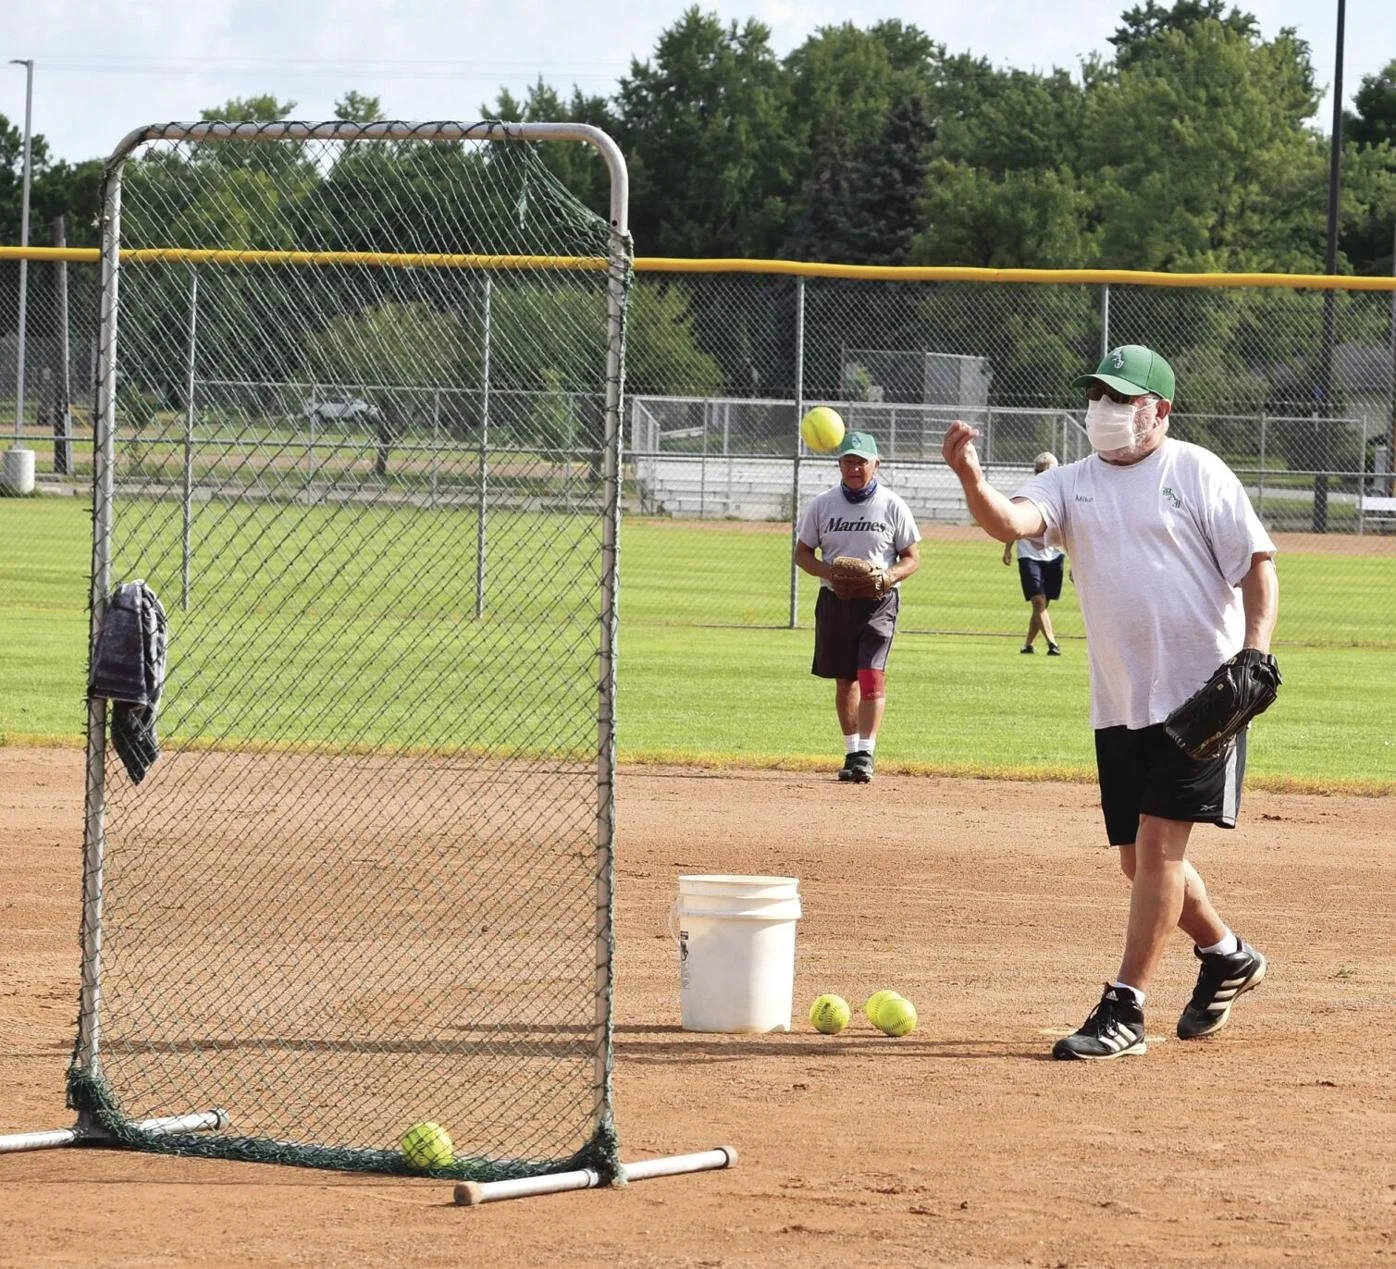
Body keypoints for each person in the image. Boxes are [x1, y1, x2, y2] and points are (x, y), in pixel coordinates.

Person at [942, 345, 1278, 1060]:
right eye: (1099, 395)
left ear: (1160, 410)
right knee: (1139, 863)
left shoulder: (1195, 470)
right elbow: (1011, 523)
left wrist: (1254, 651)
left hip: (1201, 701)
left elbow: (1256, 562)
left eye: (1122, 398)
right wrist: (970, 478)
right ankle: (1227, 954)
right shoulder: (1072, 481)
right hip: (1121, 701)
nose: (1106, 409)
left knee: (1159, 847)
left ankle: (1125, 1008)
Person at [795, 431, 921, 783]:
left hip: (878, 603)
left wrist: (888, 576)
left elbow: (912, 558)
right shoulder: (822, 505)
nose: (854, 468)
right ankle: (852, 752)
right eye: (848, 461)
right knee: (845, 680)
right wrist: (830, 572)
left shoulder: (892, 505)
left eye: (861, 462)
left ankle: (866, 751)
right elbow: (802, 554)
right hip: (835, 601)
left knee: (870, 674)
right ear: (839, 465)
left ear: (876, 465)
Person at [1002, 452, 1066, 655]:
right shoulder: (1027, 493)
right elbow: (1015, 521)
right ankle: (1052, 644)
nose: (1041, 474)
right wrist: (1008, 548)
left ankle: (1028, 645)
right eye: (1038, 470)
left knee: (1042, 605)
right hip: (1029, 554)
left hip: (1054, 554)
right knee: (1038, 601)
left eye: (1046, 471)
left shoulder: (1063, 494)